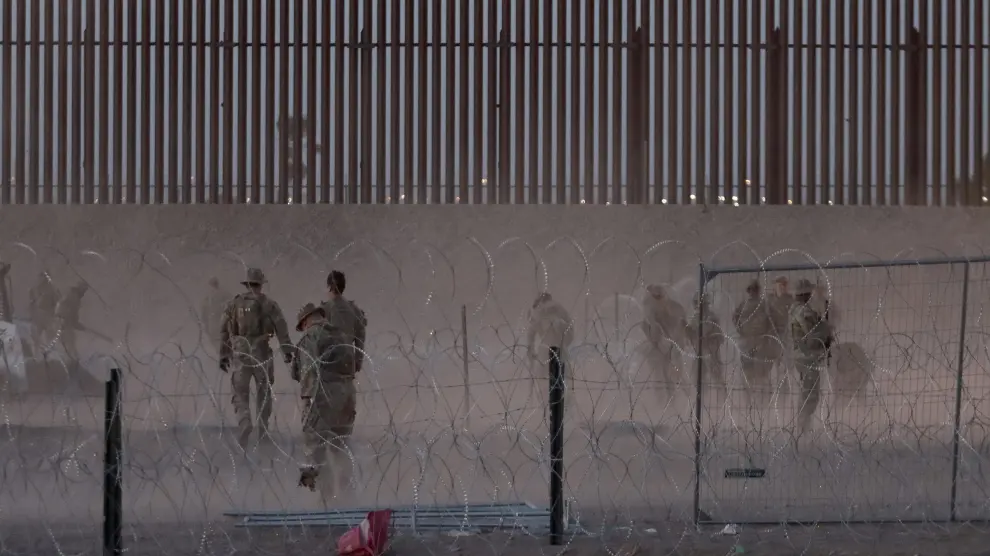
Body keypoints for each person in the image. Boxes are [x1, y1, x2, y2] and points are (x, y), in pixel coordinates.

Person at [219, 268, 294, 449]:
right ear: (260, 284)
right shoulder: (269, 304)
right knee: (264, 392)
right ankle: (263, 430)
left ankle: (244, 421)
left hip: (240, 354)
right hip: (262, 353)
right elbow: (281, 327)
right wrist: (287, 350)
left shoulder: (233, 304)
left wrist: (224, 354)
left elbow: (223, 330)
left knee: (240, 391)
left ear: (247, 284)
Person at [293, 302, 358, 495]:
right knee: (341, 449)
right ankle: (348, 497)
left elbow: (303, 372)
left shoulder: (309, 337)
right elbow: (352, 365)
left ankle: (322, 500)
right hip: (346, 396)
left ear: (305, 321)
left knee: (315, 450)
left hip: (320, 396)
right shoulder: (341, 335)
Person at [789, 278, 834, 437]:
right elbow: (812, 334)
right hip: (807, 355)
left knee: (807, 391)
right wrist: (826, 331)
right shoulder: (804, 311)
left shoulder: (796, 309)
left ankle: (803, 426)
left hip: (803, 355)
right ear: (806, 293)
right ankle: (803, 428)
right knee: (811, 394)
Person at [639, 284, 690, 402]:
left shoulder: (675, 309)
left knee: (675, 374)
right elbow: (648, 329)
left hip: (673, 347)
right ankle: (665, 400)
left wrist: (679, 343)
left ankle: (683, 395)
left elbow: (682, 328)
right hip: (660, 349)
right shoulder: (650, 311)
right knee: (661, 374)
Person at [732, 279, 776, 411]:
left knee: (760, 376)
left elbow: (771, 323)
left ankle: (761, 405)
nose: (753, 292)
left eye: (755, 289)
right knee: (750, 376)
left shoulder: (763, 305)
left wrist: (767, 337)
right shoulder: (745, 305)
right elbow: (735, 319)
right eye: (752, 289)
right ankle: (751, 405)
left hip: (759, 343)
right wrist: (741, 331)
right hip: (749, 344)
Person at [525, 292, 575, 403]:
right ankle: (561, 403)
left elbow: (530, 333)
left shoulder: (539, 312)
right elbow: (570, 333)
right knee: (562, 382)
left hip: (546, 352)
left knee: (545, 382)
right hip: (559, 350)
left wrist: (531, 350)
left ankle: (549, 404)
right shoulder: (558, 310)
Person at [320, 270, 368, 375]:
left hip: (328, 363)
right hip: (348, 362)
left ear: (330, 287)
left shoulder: (324, 310)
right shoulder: (354, 310)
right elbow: (360, 336)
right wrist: (358, 360)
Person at [687, 291, 724, 388]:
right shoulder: (695, 318)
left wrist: (710, 340)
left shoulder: (712, 318)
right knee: (696, 378)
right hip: (700, 352)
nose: (697, 306)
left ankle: (721, 394)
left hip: (710, 352)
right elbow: (690, 334)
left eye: (699, 303)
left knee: (717, 378)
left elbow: (720, 337)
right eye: (696, 303)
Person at [767, 275, 795, 390]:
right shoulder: (769, 300)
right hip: (773, 335)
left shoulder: (790, 300)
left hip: (786, 335)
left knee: (786, 363)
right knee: (773, 363)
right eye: (780, 285)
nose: (782, 287)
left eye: (784, 285)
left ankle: (785, 386)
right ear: (775, 286)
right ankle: (773, 387)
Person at [199, 277, 231, 356]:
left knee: (219, 340)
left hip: (219, 322)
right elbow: (204, 311)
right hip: (216, 323)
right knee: (218, 340)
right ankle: (222, 353)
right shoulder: (209, 296)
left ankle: (223, 354)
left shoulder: (222, 294)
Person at [29, 270, 60, 350]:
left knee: (50, 338)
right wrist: (32, 314)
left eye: (44, 276)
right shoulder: (34, 289)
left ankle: (48, 353)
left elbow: (57, 302)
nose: (42, 279)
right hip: (38, 316)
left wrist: (54, 316)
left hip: (48, 315)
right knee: (36, 338)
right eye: (41, 276)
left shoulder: (52, 290)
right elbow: (31, 303)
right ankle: (36, 353)